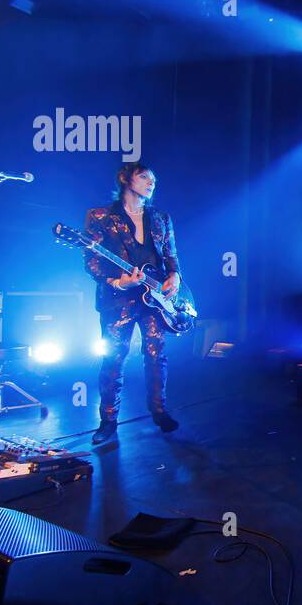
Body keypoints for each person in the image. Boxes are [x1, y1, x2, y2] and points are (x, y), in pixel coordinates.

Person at [84, 163, 182, 445]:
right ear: (126, 179)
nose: (151, 182)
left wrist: (175, 275)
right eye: (144, 177)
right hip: (118, 300)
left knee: (156, 355)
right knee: (113, 358)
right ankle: (108, 421)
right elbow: (91, 261)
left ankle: (160, 411)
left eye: (154, 178)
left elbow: (171, 255)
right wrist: (118, 282)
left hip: (154, 298)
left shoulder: (161, 218)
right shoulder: (101, 216)